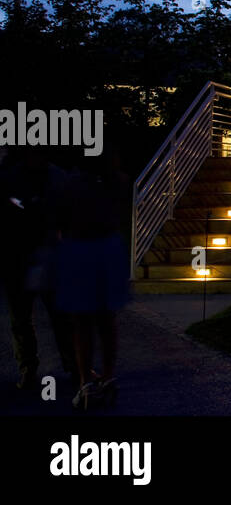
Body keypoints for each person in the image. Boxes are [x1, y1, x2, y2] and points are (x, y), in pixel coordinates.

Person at [53, 148, 131, 410]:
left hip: (79, 249)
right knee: (106, 320)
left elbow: (59, 218)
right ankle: (107, 377)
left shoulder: (71, 183)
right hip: (108, 247)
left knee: (82, 322)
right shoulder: (117, 182)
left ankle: (87, 381)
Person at [0, 149, 77, 393]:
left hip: (44, 253)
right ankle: (31, 368)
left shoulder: (55, 177)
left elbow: (68, 214)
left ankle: (70, 365)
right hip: (20, 256)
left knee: (55, 316)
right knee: (23, 319)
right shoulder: (13, 177)